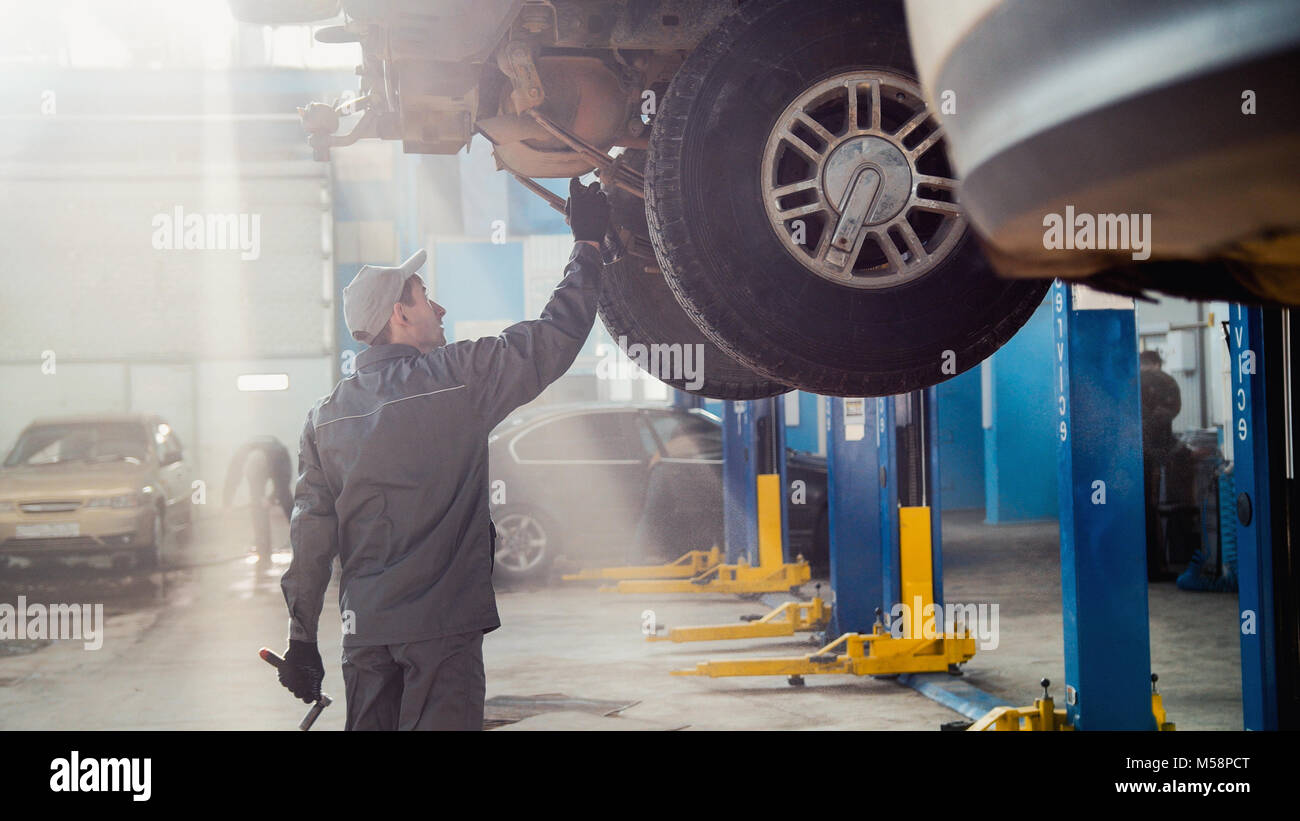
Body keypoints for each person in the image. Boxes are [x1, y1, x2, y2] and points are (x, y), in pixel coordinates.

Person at [276, 178, 609, 730]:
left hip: (367, 637)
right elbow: (553, 338)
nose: (440, 306)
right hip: (440, 634)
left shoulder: (324, 418)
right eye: (425, 296)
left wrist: (301, 640)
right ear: (399, 318)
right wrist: (588, 246)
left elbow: (311, 536)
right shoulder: (457, 379)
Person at [1139, 349, 1182, 581]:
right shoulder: (1166, 381)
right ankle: (1156, 568)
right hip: (1155, 454)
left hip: (1132, 454)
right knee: (1152, 508)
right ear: (1156, 362)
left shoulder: (1130, 380)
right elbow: (1170, 413)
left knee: (1139, 508)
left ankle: (1141, 565)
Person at [223, 436, 293, 564]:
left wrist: (271, 499)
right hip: (258, 462)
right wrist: (227, 503)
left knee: (285, 498)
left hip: (276, 460)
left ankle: (301, 538)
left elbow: (283, 482)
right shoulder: (241, 456)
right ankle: (263, 547)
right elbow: (232, 478)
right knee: (257, 505)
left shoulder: (279, 456)